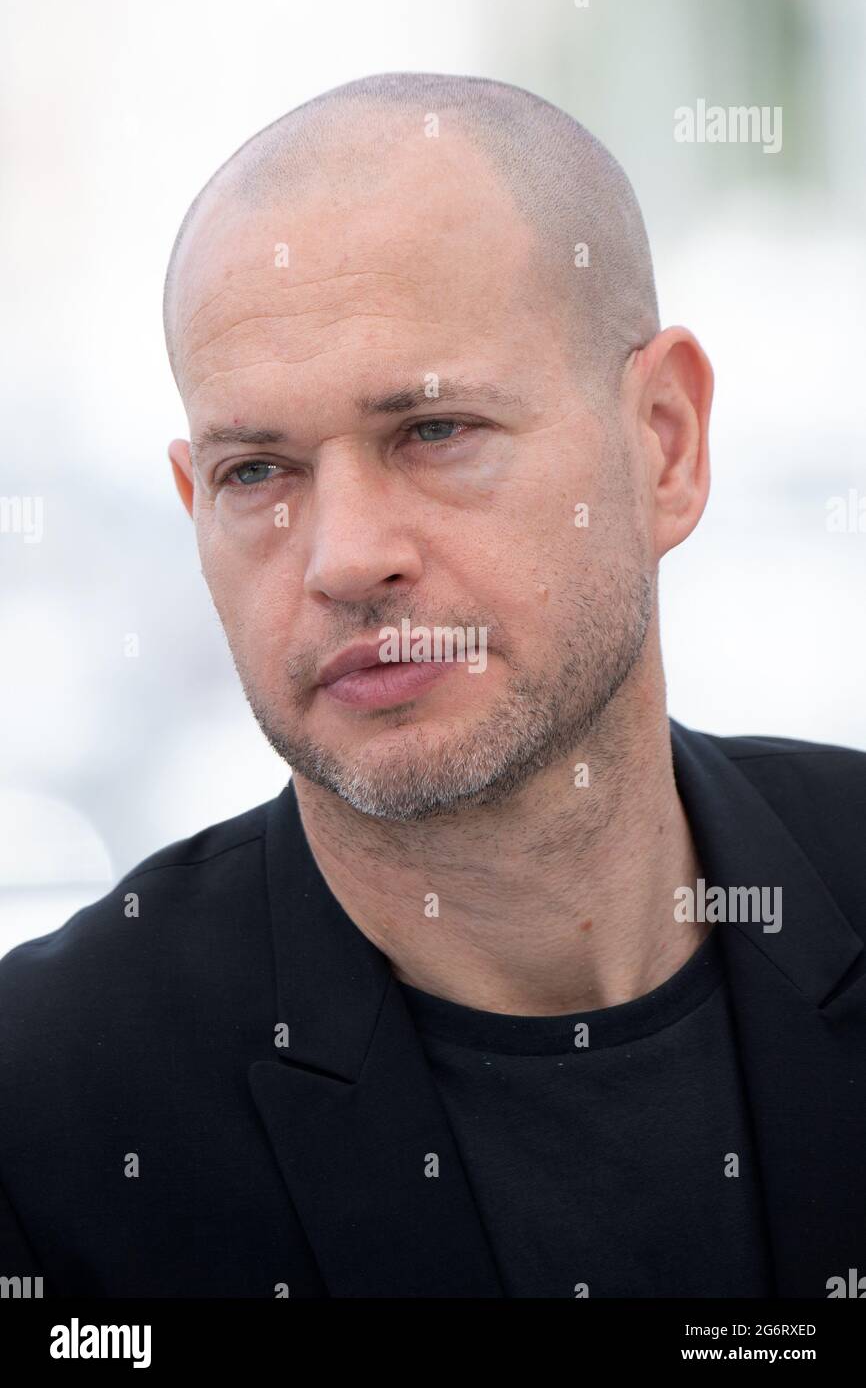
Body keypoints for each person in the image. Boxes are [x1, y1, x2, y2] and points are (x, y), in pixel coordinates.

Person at [1, 71, 864, 1300]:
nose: (345, 556)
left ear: (662, 443)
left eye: (433, 430)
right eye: (258, 471)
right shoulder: (48, 1114)